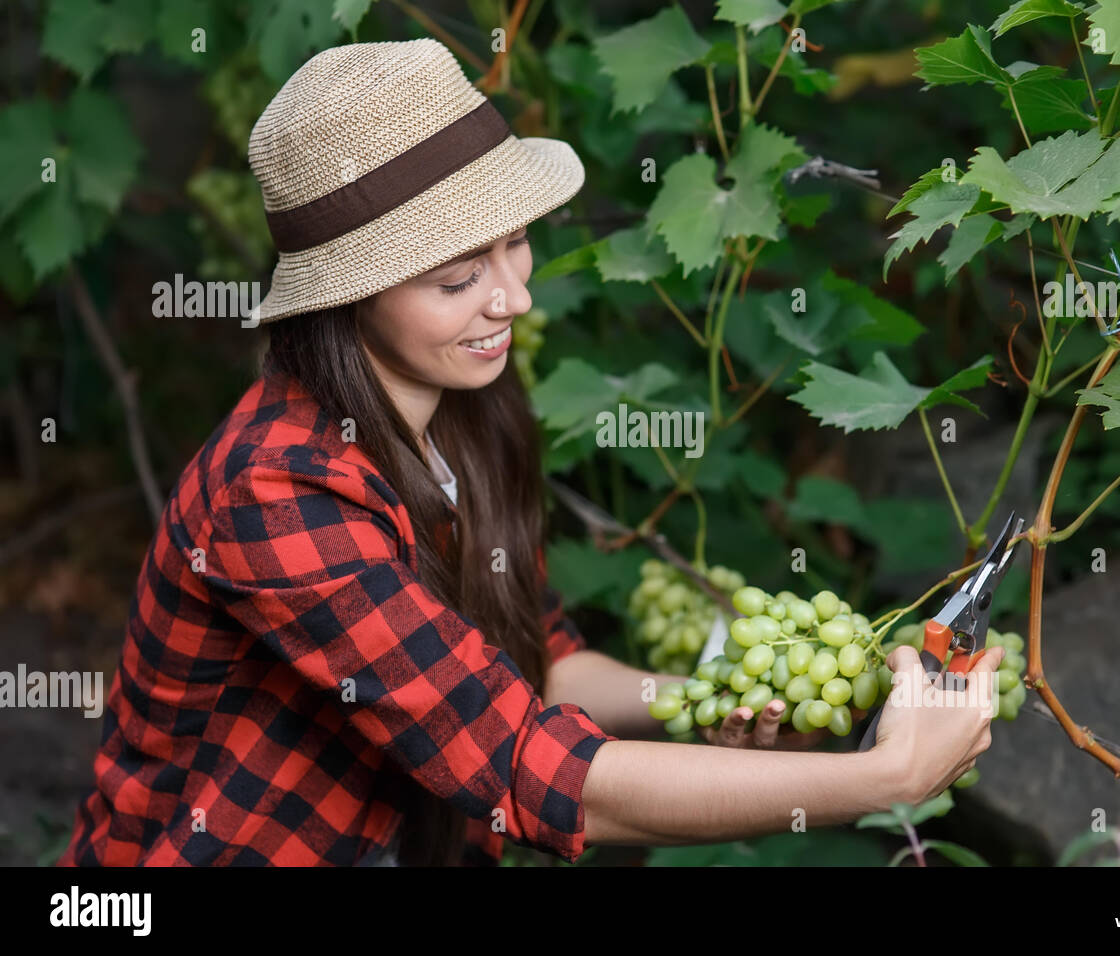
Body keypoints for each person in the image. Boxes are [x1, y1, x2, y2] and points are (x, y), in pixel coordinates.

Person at [58, 39, 999, 867]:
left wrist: (704, 704)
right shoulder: (277, 493)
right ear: (347, 297)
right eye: (460, 276)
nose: (513, 300)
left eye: (514, 246)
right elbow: (533, 769)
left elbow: (535, 663)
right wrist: (885, 778)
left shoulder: (464, 413)